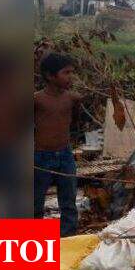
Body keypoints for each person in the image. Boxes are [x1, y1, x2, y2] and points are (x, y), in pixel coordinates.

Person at [34, 52, 82, 236]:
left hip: (65, 155)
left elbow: (75, 122)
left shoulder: (72, 99)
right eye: (66, 73)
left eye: (72, 72)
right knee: (35, 201)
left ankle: (67, 238)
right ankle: (33, 244)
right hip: (40, 156)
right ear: (49, 76)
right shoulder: (37, 100)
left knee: (68, 200)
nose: (71, 77)